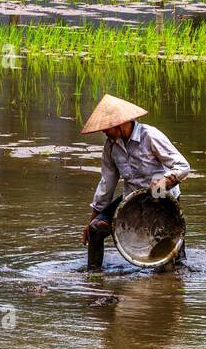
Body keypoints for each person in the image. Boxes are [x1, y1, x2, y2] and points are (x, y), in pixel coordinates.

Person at [80, 94, 191, 270]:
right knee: (95, 229)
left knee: (171, 260)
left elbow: (183, 166)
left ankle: (177, 267)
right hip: (131, 198)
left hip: (159, 196)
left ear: (118, 124)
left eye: (106, 128)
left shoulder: (150, 136)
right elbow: (106, 183)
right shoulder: (111, 146)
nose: (103, 132)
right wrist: (92, 219)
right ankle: (93, 277)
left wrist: (166, 180)